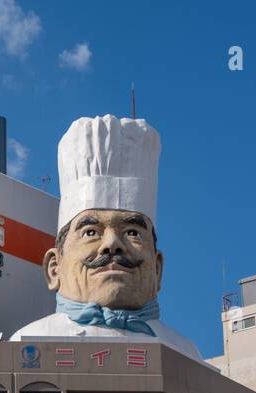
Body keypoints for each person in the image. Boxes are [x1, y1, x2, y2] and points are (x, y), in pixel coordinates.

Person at [11, 114, 204, 361]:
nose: (111, 244)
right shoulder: (25, 344)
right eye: (91, 232)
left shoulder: (184, 354)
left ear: (158, 269)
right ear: (54, 268)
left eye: (132, 233)